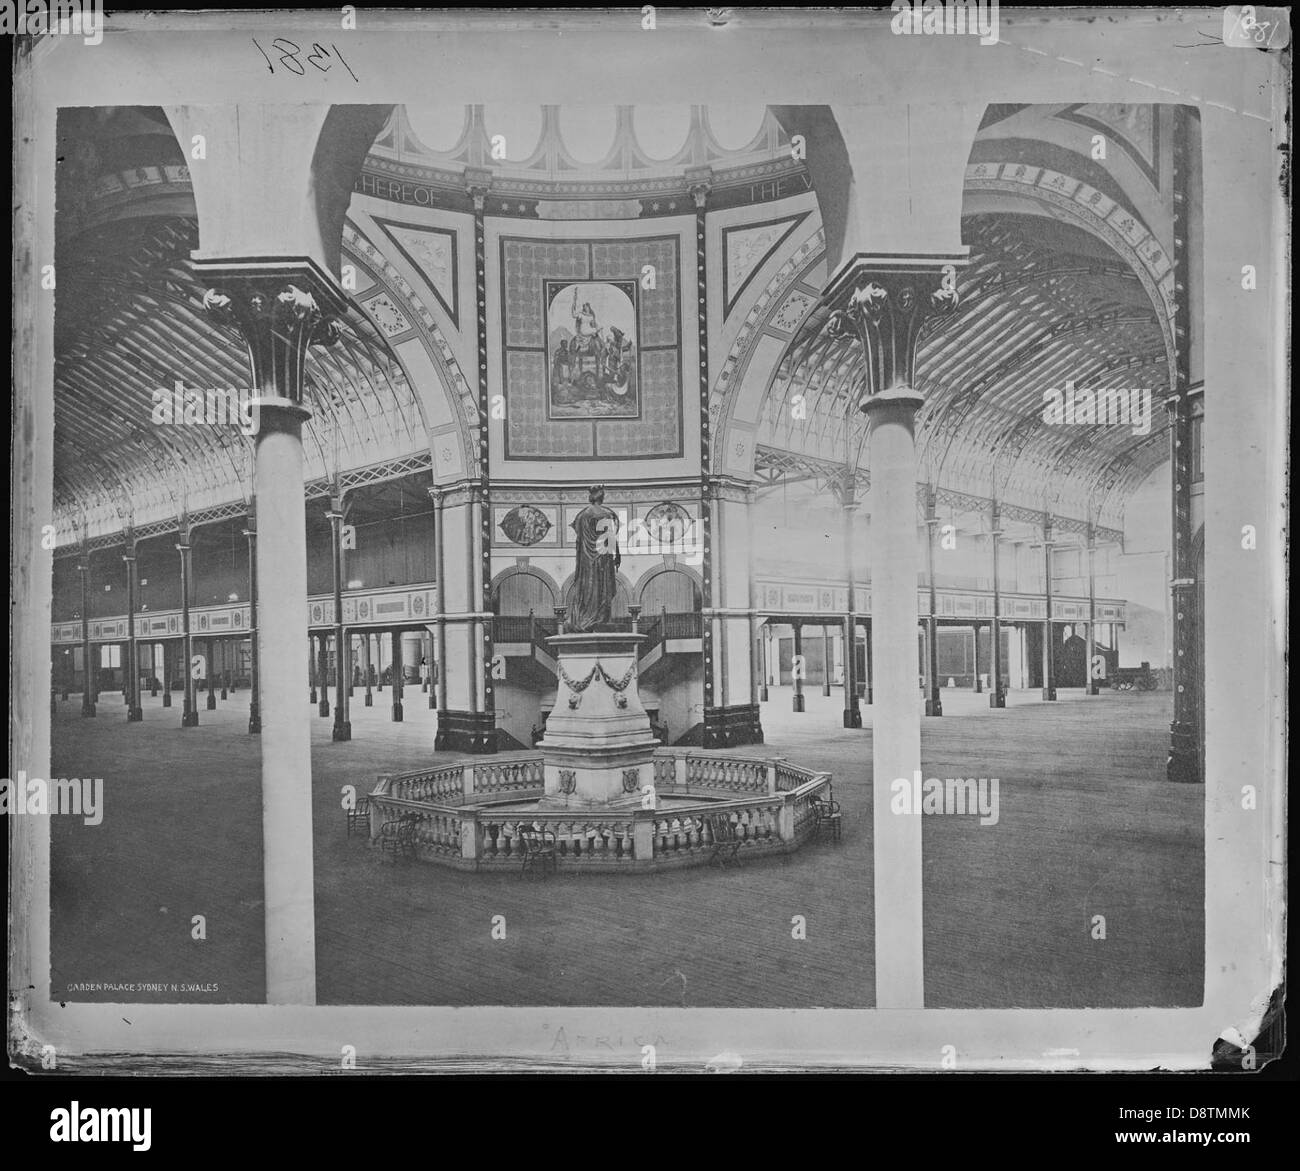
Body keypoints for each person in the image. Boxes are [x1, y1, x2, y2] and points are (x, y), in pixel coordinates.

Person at [568, 484, 621, 632]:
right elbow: (610, 537)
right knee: (603, 589)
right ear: (601, 497)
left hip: (586, 558)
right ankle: (599, 619)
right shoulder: (605, 514)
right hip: (602, 558)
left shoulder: (583, 515)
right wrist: (618, 555)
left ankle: (585, 618)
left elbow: (579, 540)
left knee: (588, 588)